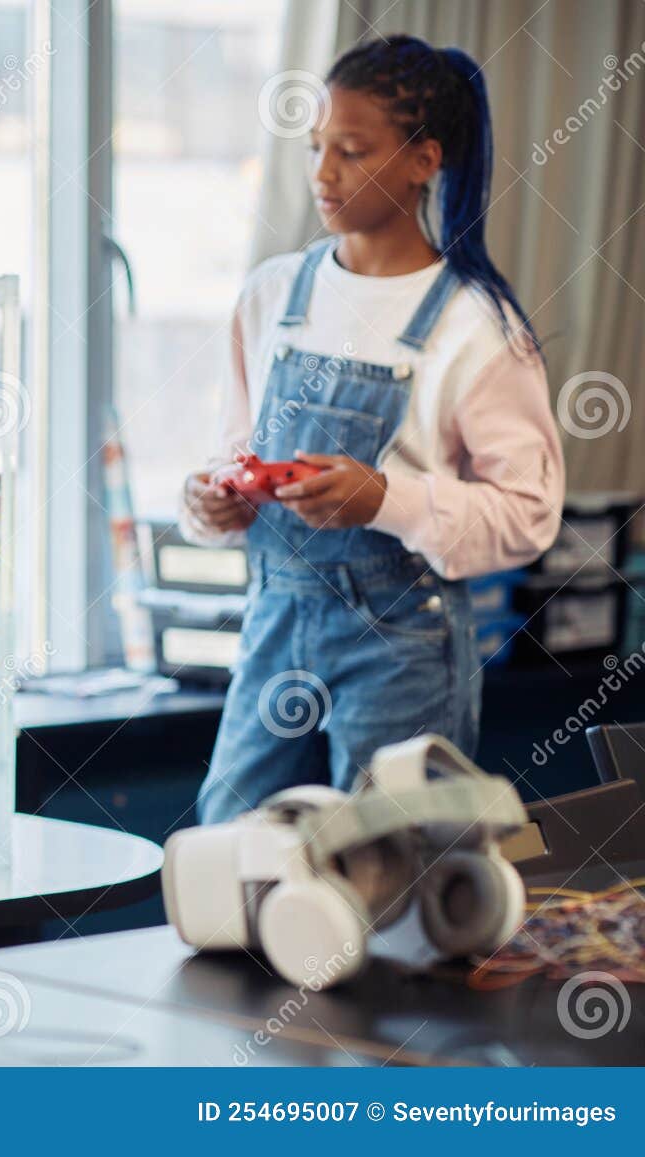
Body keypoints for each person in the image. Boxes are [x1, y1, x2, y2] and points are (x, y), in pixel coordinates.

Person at [183, 35, 564, 824]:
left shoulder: (474, 327)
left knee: (388, 880)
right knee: (229, 850)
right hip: (274, 622)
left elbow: (530, 515)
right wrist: (215, 501)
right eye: (317, 146)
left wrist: (385, 499)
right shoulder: (273, 295)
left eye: (351, 152)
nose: (322, 173)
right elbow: (236, 451)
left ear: (424, 161)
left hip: (404, 644)